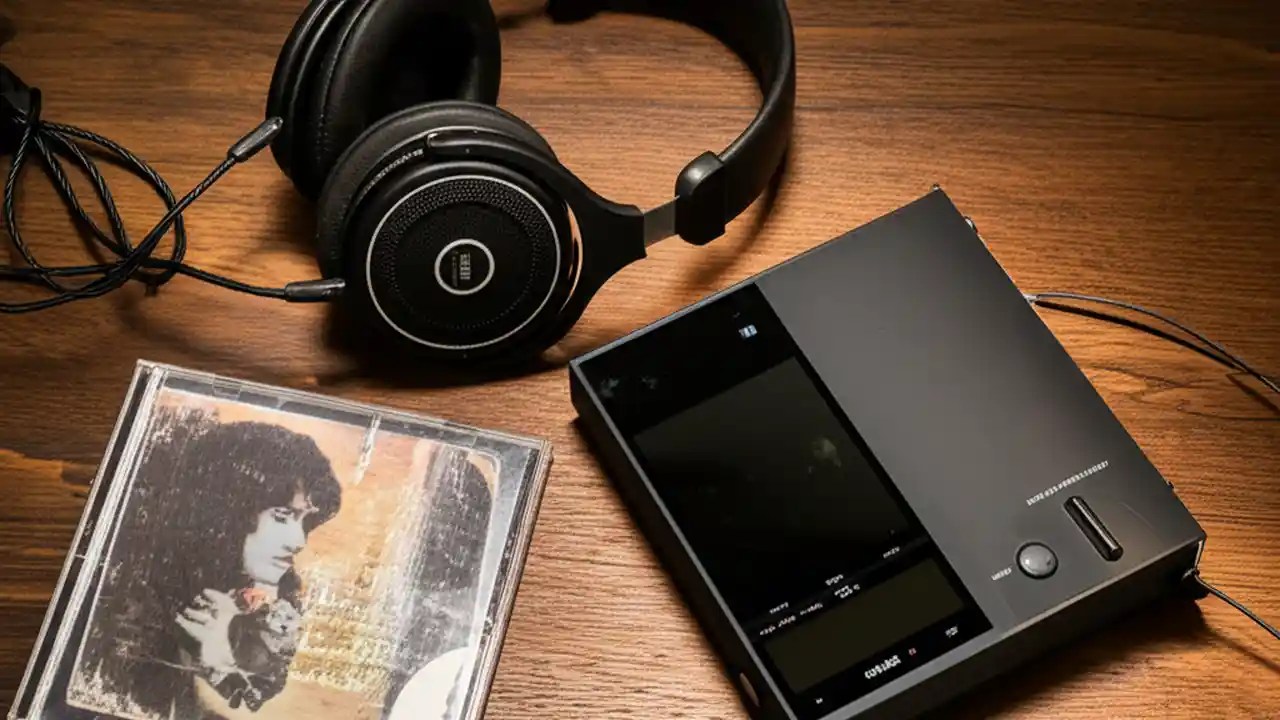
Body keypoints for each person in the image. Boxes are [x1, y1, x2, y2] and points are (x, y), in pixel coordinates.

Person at [73, 415, 342, 720]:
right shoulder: (138, 605)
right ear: (229, 516)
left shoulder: (268, 606)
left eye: (304, 521)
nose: (298, 541)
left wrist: (222, 660)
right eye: (282, 516)